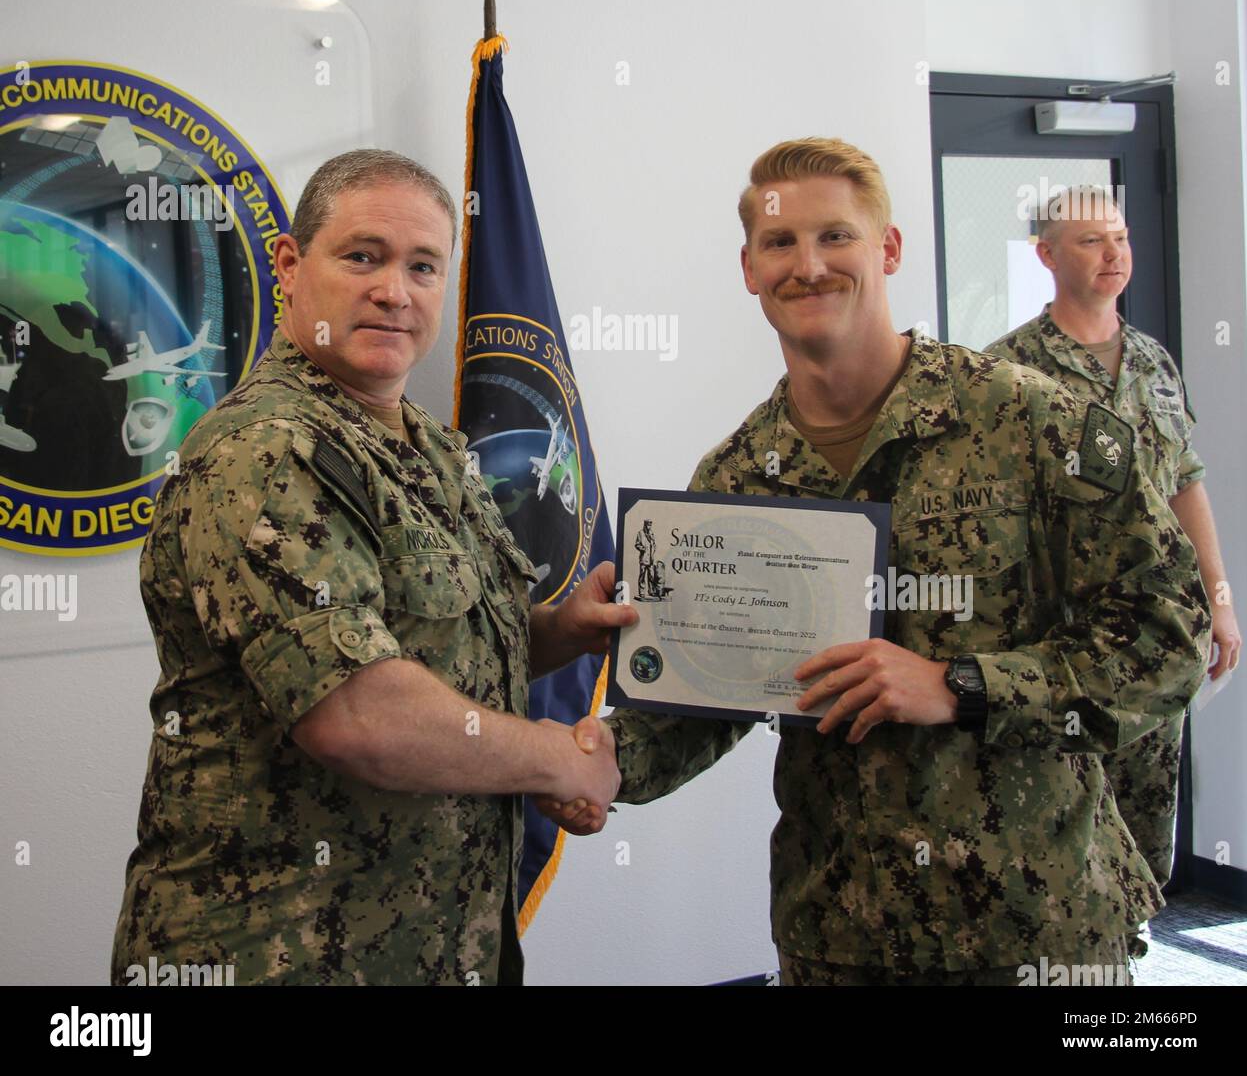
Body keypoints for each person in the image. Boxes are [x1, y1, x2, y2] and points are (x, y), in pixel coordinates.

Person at [543, 138, 1210, 987]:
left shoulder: (1034, 424)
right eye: (779, 244)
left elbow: (1167, 636)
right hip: (837, 935)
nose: (807, 265)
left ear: (887, 249)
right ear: (749, 268)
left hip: (1033, 928)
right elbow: (713, 690)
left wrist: (960, 685)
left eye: (836, 237)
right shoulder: (737, 477)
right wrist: (600, 759)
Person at [111, 149, 628, 987]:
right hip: (284, 956)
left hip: (427, 946)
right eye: (363, 256)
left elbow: (425, 645)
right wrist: (555, 756)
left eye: (423, 266)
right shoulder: (268, 448)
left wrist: (559, 634)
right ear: (289, 264)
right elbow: (356, 711)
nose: (396, 290)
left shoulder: (421, 444)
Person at [985, 186, 1239, 918]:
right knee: (1060, 846)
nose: (1114, 254)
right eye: (1092, 240)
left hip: (1159, 641)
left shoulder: (1153, 362)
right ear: (1046, 254)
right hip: (1063, 647)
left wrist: (1217, 601)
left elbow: (1185, 482)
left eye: (1121, 238)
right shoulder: (1008, 374)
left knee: (1145, 843)